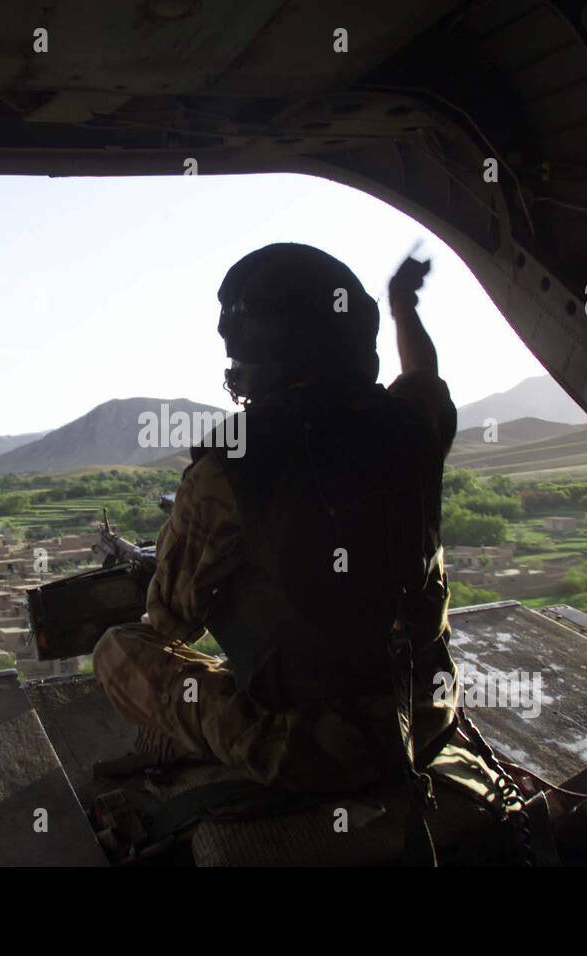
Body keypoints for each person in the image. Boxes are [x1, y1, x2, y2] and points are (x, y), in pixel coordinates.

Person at [93, 242, 459, 795]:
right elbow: (423, 372)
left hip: (313, 749)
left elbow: (168, 621)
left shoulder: (227, 468)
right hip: (426, 714)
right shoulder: (417, 420)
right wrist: (403, 304)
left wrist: (188, 551)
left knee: (118, 650)